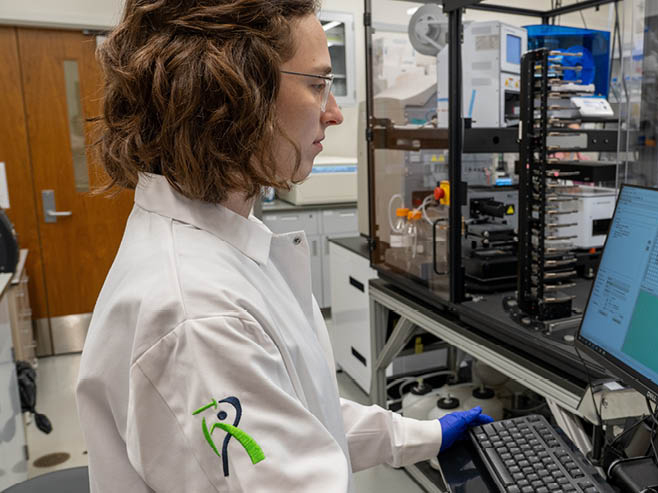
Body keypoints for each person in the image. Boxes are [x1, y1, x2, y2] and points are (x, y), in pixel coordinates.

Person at [75, 0, 492, 491]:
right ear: (230, 93)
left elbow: (296, 412)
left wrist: (422, 436)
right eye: (317, 85)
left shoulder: (218, 242)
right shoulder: (198, 316)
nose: (334, 113)